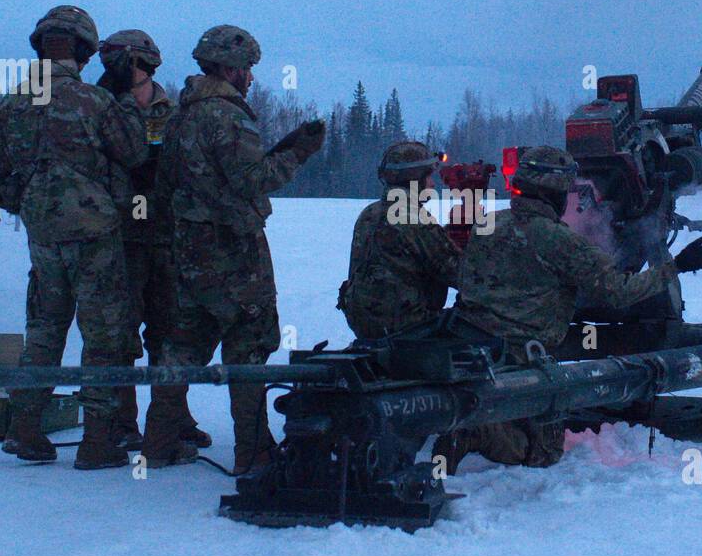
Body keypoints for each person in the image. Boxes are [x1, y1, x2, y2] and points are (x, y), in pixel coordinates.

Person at [441, 145, 702, 471]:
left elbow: (465, 276)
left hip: (471, 344)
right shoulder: (560, 240)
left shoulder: (488, 225)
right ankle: (476, 435)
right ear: (558, 194)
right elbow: (618, 292)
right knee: (546, 448)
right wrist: (676, 266)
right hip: (519, 355)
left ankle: (479, 421)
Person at [0, 5, 147, 468]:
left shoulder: (12, 105)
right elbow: (132, 152)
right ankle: (97, 441)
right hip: (95, 234)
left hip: (43, 236)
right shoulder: (93, 101)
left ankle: (25, 429)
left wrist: (33, 200)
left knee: (45, 331)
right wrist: (131, 95)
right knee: (103, 335)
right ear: (83, 51)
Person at [154, 25, 325, 470]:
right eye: (247, 69)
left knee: (184, 344)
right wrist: (298, 154)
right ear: (231, 68)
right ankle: (253, 452)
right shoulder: (227, 115)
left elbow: (169, 183)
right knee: (248, 345)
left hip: (189, 250)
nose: (251, 77)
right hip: (234, 250)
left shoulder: (181, 114)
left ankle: (159, 440)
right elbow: (252, 179)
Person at [96, 30, 210, 452]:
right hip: (119, 235)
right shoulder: (100, 106)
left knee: (172, 332)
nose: (114, 71)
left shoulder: (172, 111)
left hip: (166, 235)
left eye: (122, 63)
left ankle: (172, 418)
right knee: (119, 332)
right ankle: (122, 423)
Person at [338, 140, 461, 339]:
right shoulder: (413, 218)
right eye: (429, 176)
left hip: (366, 324)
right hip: (409, 327)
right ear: (414, 179)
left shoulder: (370, 213)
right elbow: (459, 274)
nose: (432, 183)